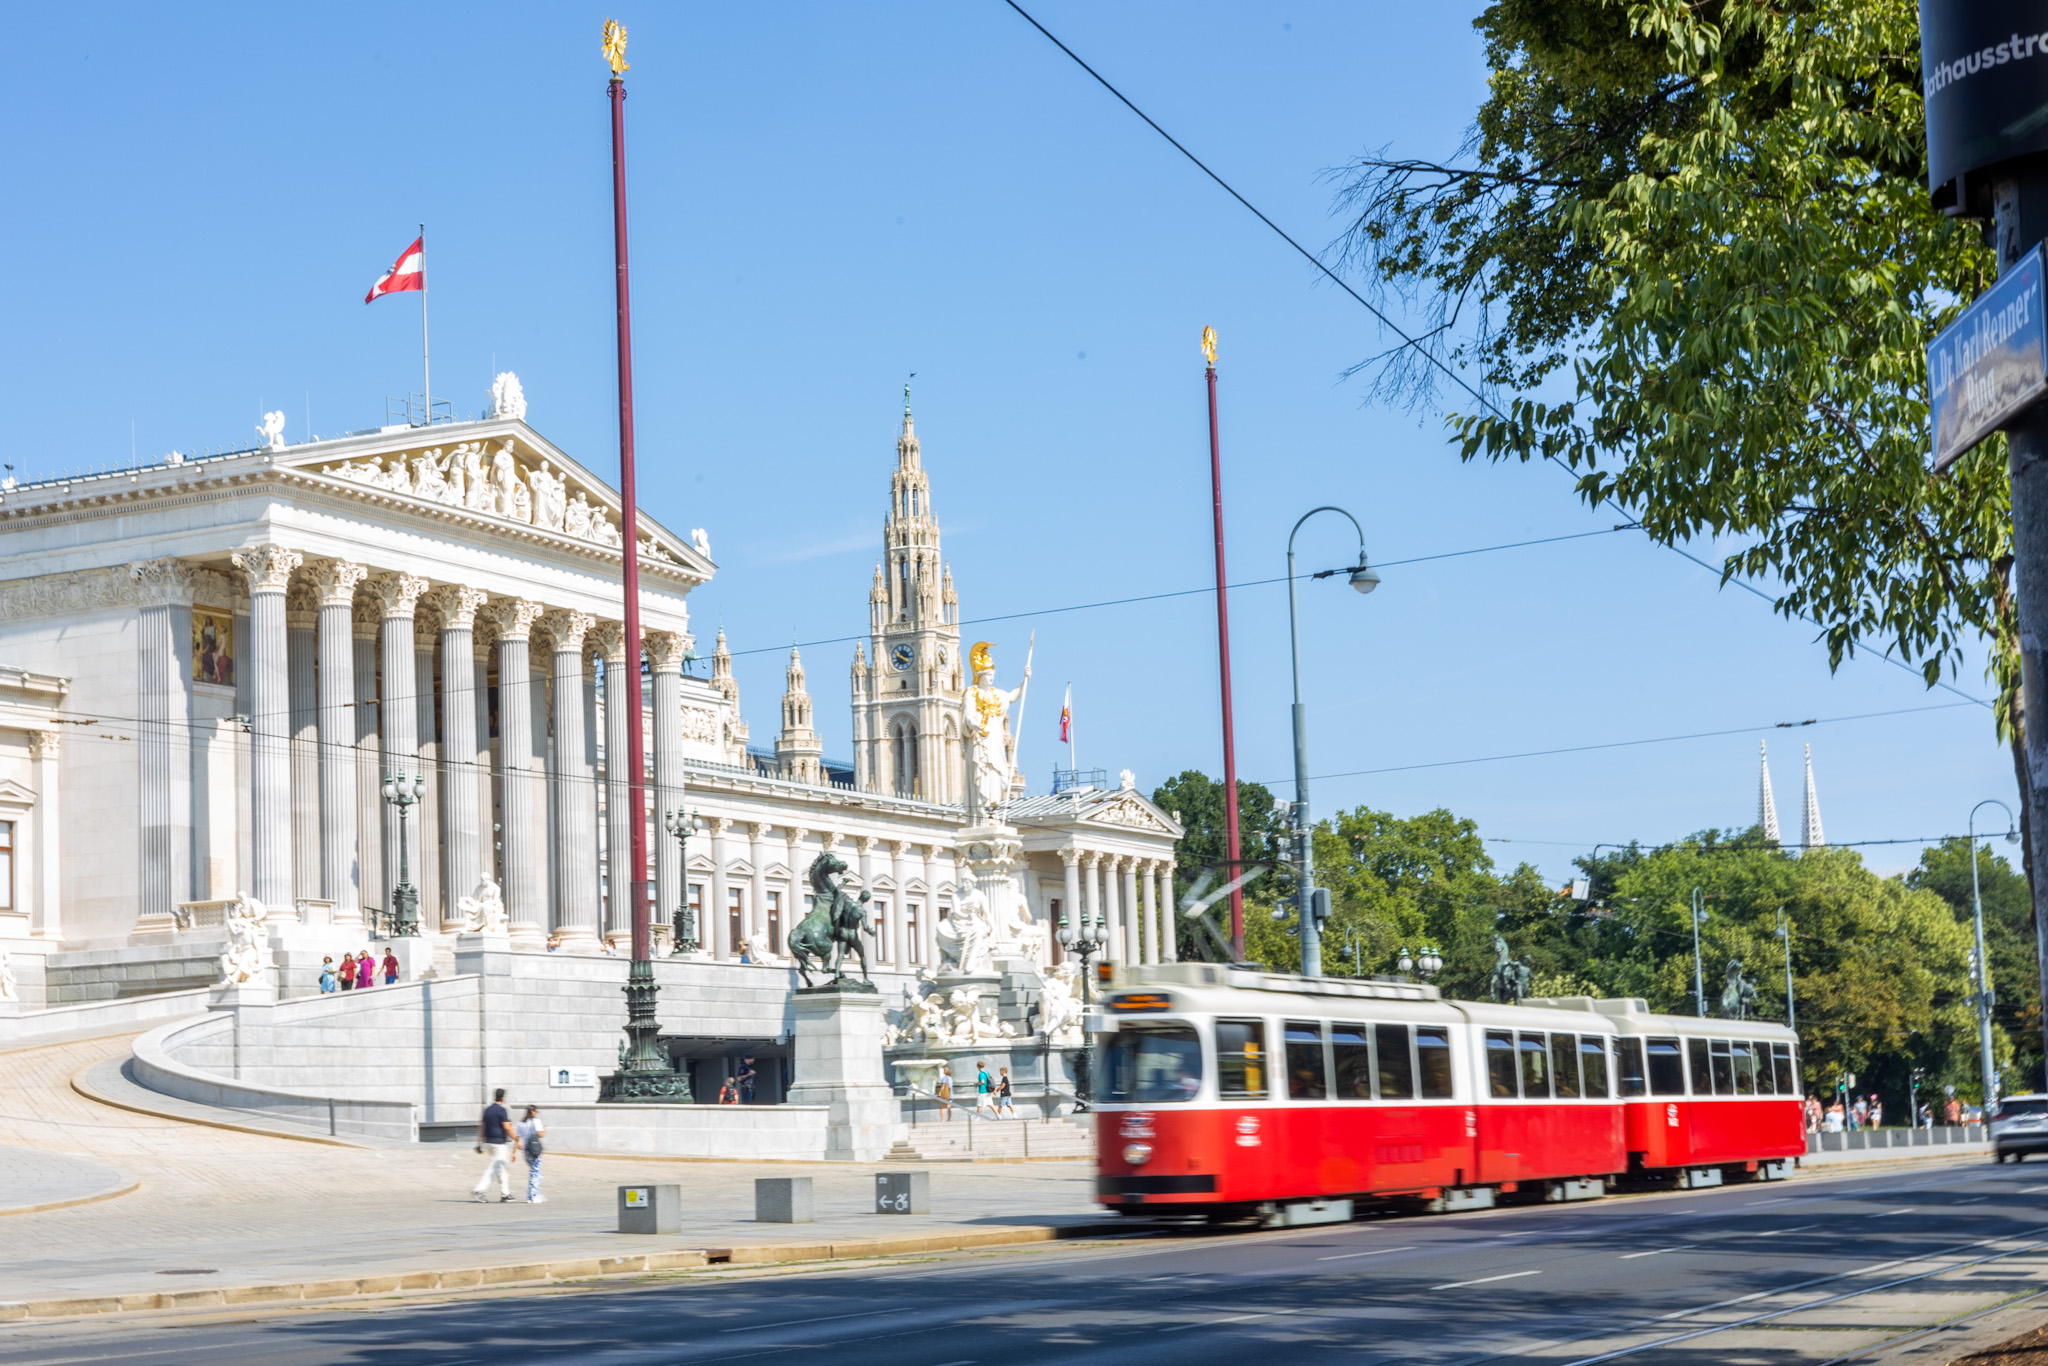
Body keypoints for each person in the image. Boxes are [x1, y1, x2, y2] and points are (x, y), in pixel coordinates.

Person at [472, 1088, 516, 1203]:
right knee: (493, 1168)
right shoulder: (501, 1110)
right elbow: (507, 1127)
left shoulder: (487, 1110)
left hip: (488, 1142)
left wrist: (479, 1144)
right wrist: (516, 1138)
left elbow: (482, 1127)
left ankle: (505, 1194)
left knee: (502, 1168)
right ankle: (479, 1190)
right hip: (499, 1144)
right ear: (503, 1097)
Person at [516, 1105, 547, 1204]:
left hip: (526, 1149)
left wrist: (514, 1152)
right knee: (535, 1172)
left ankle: (535, 1194)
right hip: (534, 1149)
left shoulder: (521, 1123)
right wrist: (544, 1130)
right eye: (536, 1111)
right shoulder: (536, 1121)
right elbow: (540, 1134)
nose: (536, 1113)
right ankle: (532, 1196)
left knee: (535, 1171)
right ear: (533, 1111)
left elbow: (517, 1138)